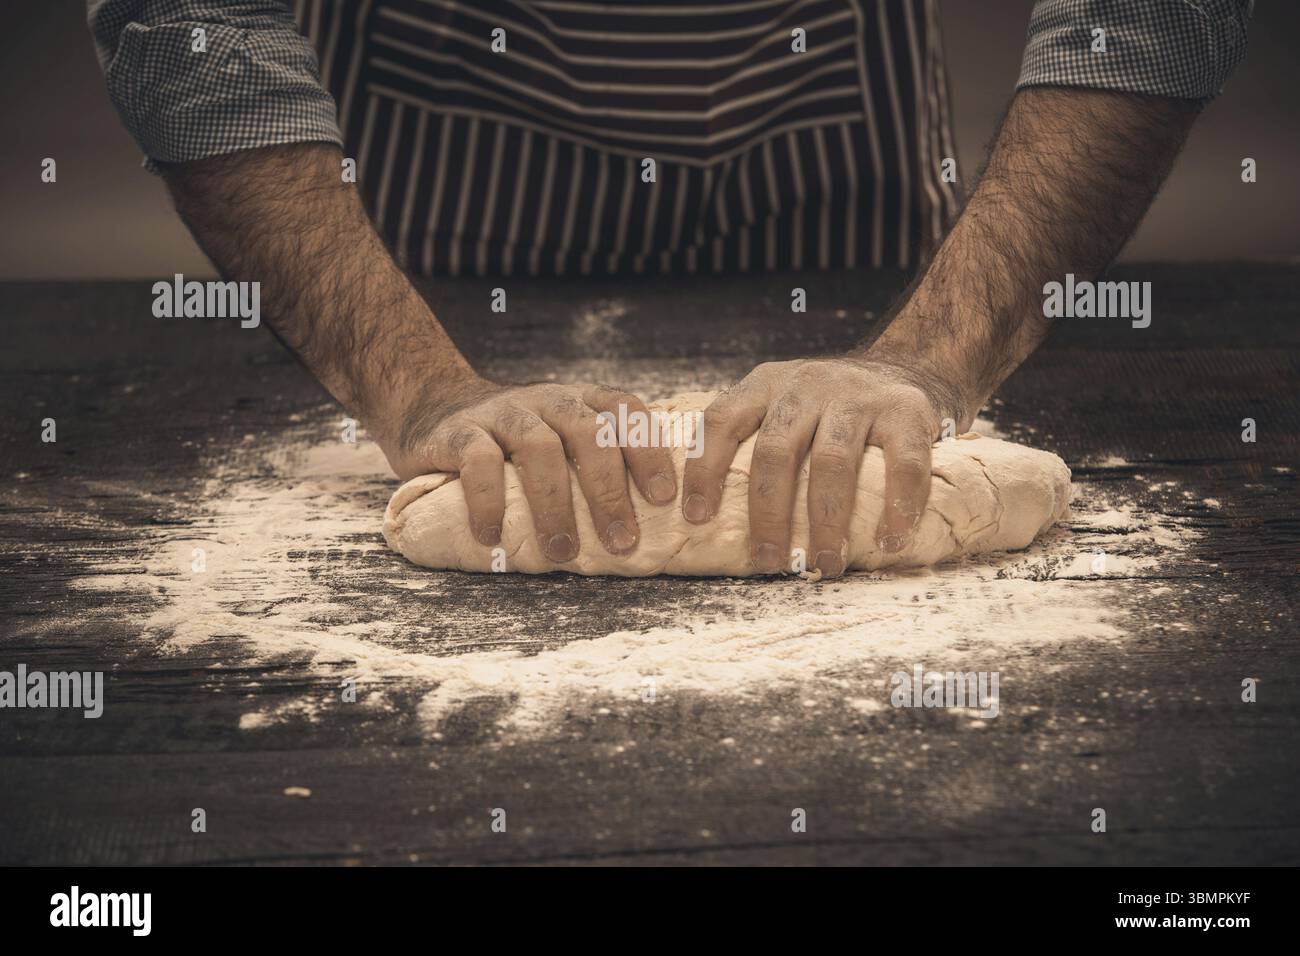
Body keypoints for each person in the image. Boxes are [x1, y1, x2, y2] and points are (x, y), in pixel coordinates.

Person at [88, 0, 1252, 576]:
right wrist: (412, 382)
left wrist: (924, 357)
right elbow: (186, 18)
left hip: (842, 194)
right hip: (420, 223)